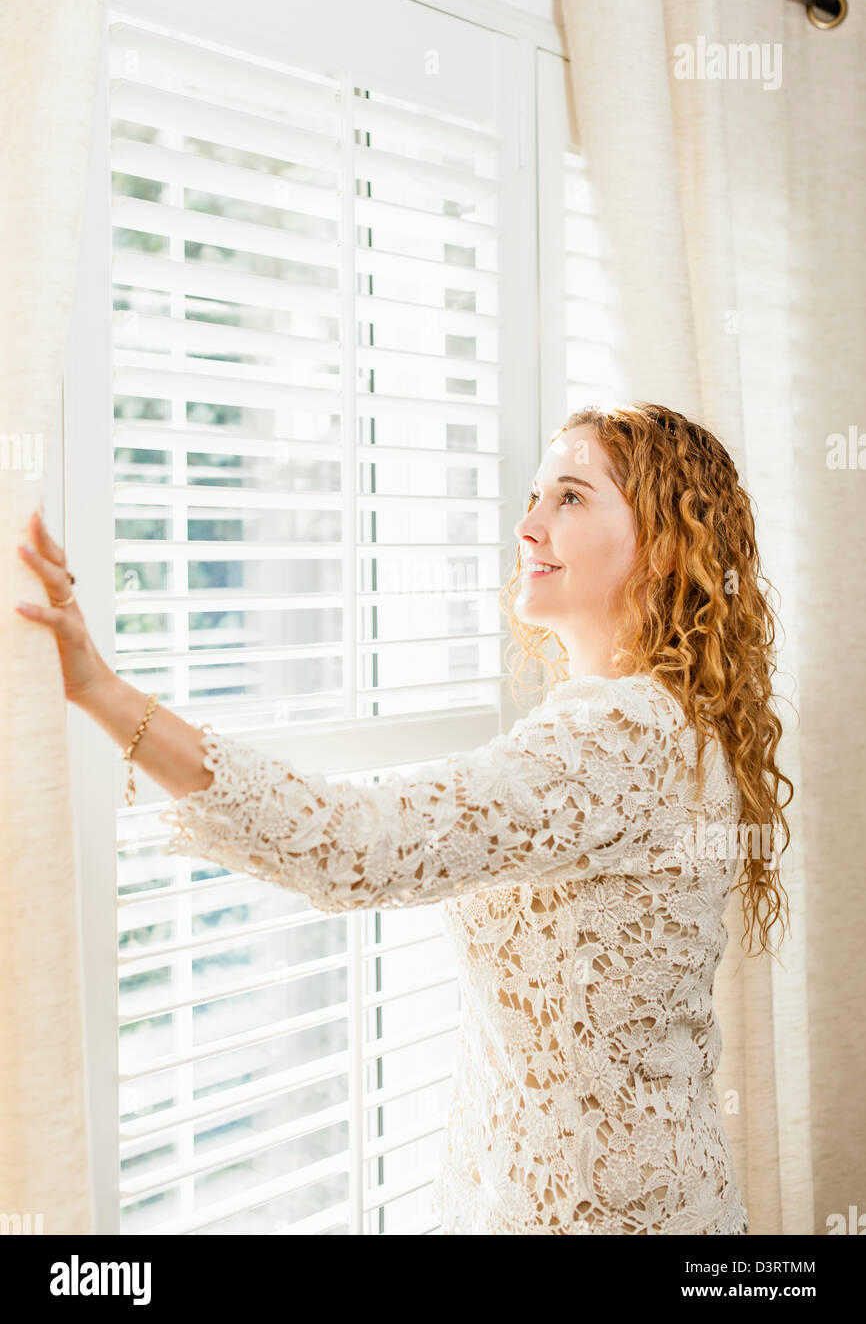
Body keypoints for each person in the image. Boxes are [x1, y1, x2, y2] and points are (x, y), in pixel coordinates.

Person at [14, 402, 792, 1235]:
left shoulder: (624, 733)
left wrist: (102, 690)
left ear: (667, 543)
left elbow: (359, 844)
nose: (528, 526)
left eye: (569, 498)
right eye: (534, 496)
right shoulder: (667, 719)